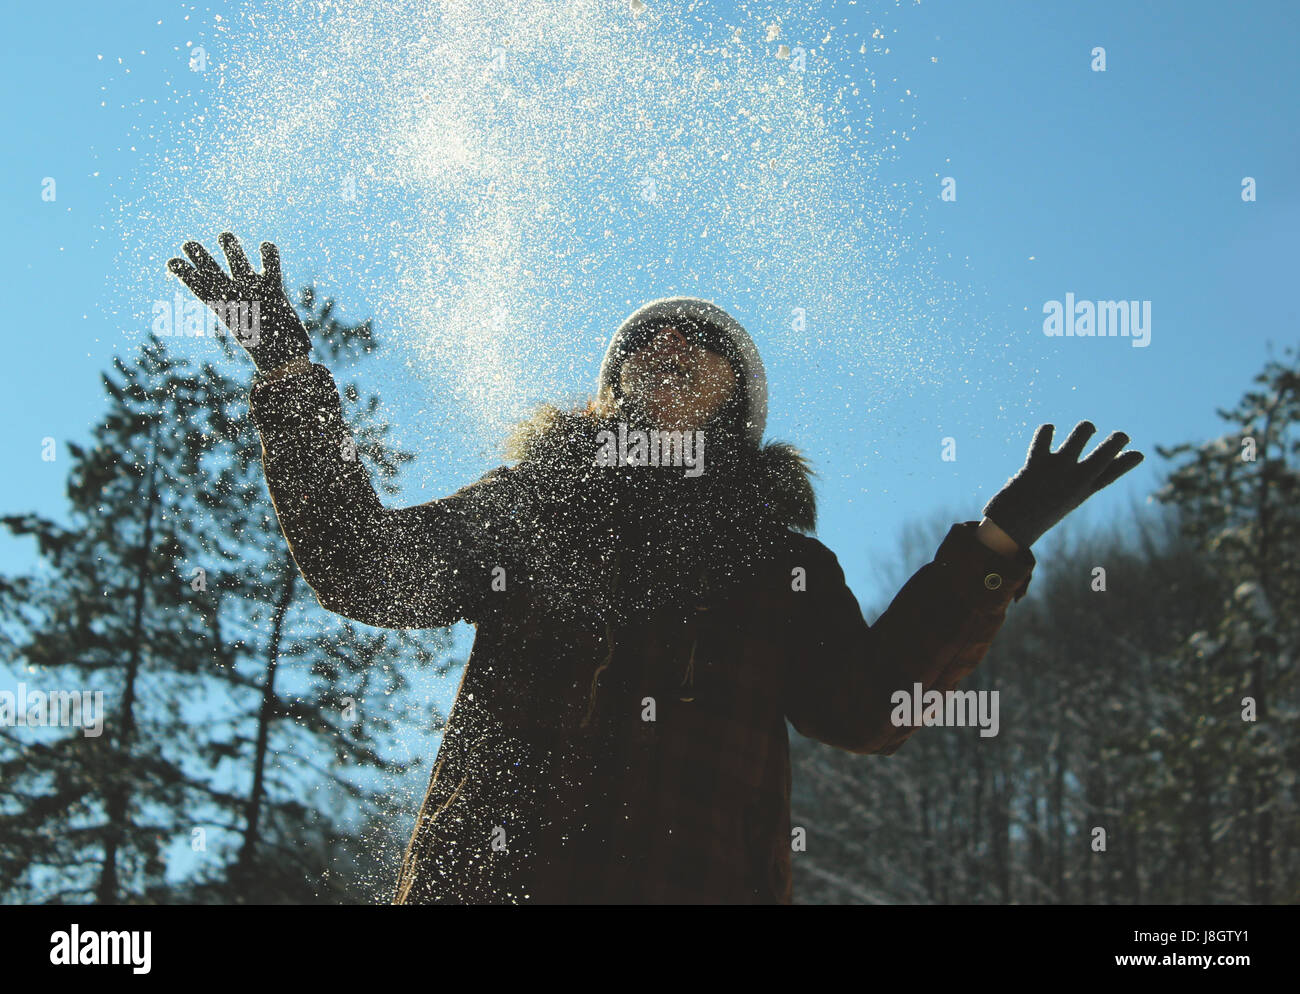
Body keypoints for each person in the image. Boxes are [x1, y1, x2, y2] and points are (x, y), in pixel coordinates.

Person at [167, 232, 1144, 904]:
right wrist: (288, 379)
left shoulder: (781, 565)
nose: (668, 342)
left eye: (703, 342)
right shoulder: (526, 509)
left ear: (738, 403)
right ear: (612, 389)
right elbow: (364, 570)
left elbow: (867, 711)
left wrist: (995, 545)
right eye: (645, 338)